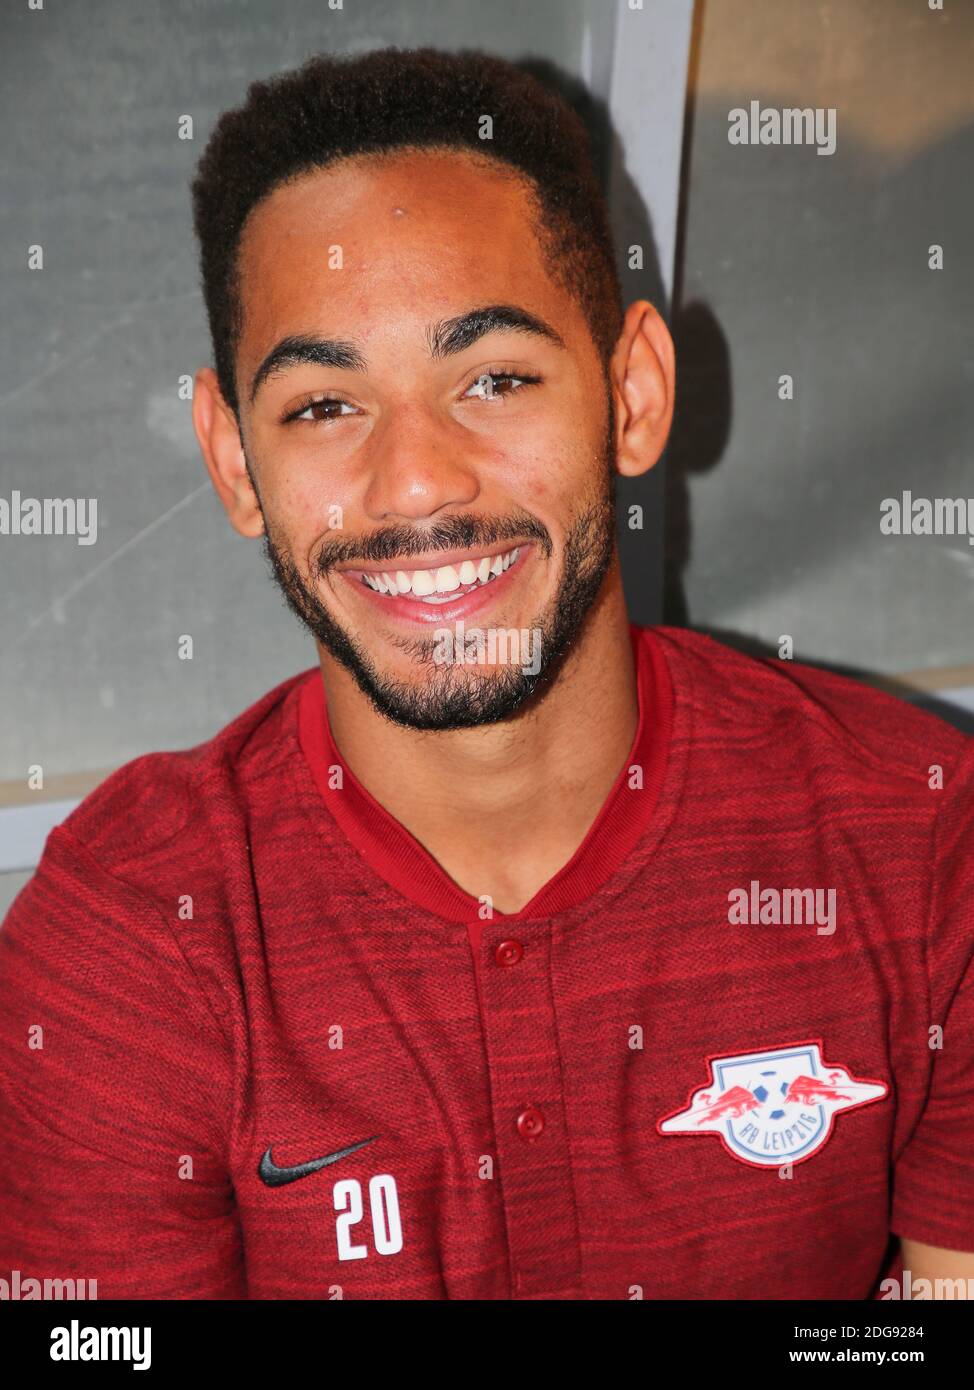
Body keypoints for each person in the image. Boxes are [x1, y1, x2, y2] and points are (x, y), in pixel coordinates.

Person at [1, 46, 971, 1301]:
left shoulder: (924, 837)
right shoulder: (125, 948)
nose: (416, 482)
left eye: (495, 378)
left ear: (631, 392)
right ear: (234, 461)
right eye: (320, 407)